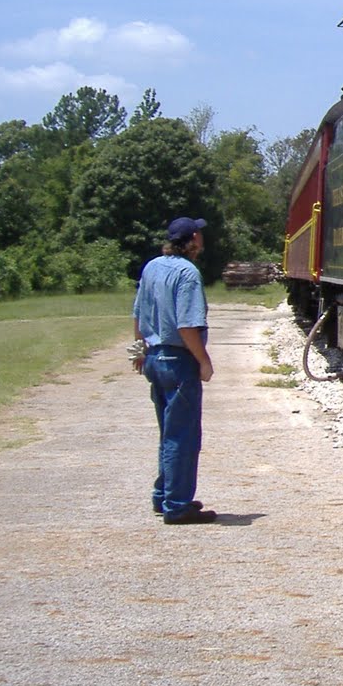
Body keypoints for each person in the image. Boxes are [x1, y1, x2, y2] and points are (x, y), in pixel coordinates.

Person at [132, 216, 217, 525]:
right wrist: (204, 361)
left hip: (155, 358)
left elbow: (138, 314)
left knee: (169, 432)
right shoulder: (187, 273)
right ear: (193, 238)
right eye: (200, 233)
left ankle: (164, 495)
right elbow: (186, 326)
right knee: (182, 436)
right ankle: (178, 506)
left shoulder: (152, 267)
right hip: (179, 361)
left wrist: (140, 349)